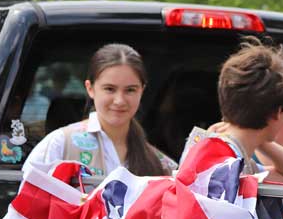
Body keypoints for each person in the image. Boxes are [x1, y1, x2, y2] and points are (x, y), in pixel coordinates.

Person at [24, 44, 176, 176]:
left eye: (130, 90)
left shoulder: (162, 166)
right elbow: (25, 207)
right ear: (90, 89)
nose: (119, 101)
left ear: (142, 91)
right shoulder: (61, 144)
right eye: (110, 89)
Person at [188, 40, 283, 186]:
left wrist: (259, 136)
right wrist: (260, 134)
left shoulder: (224, 154)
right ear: (277, 112)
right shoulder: (228, 163)